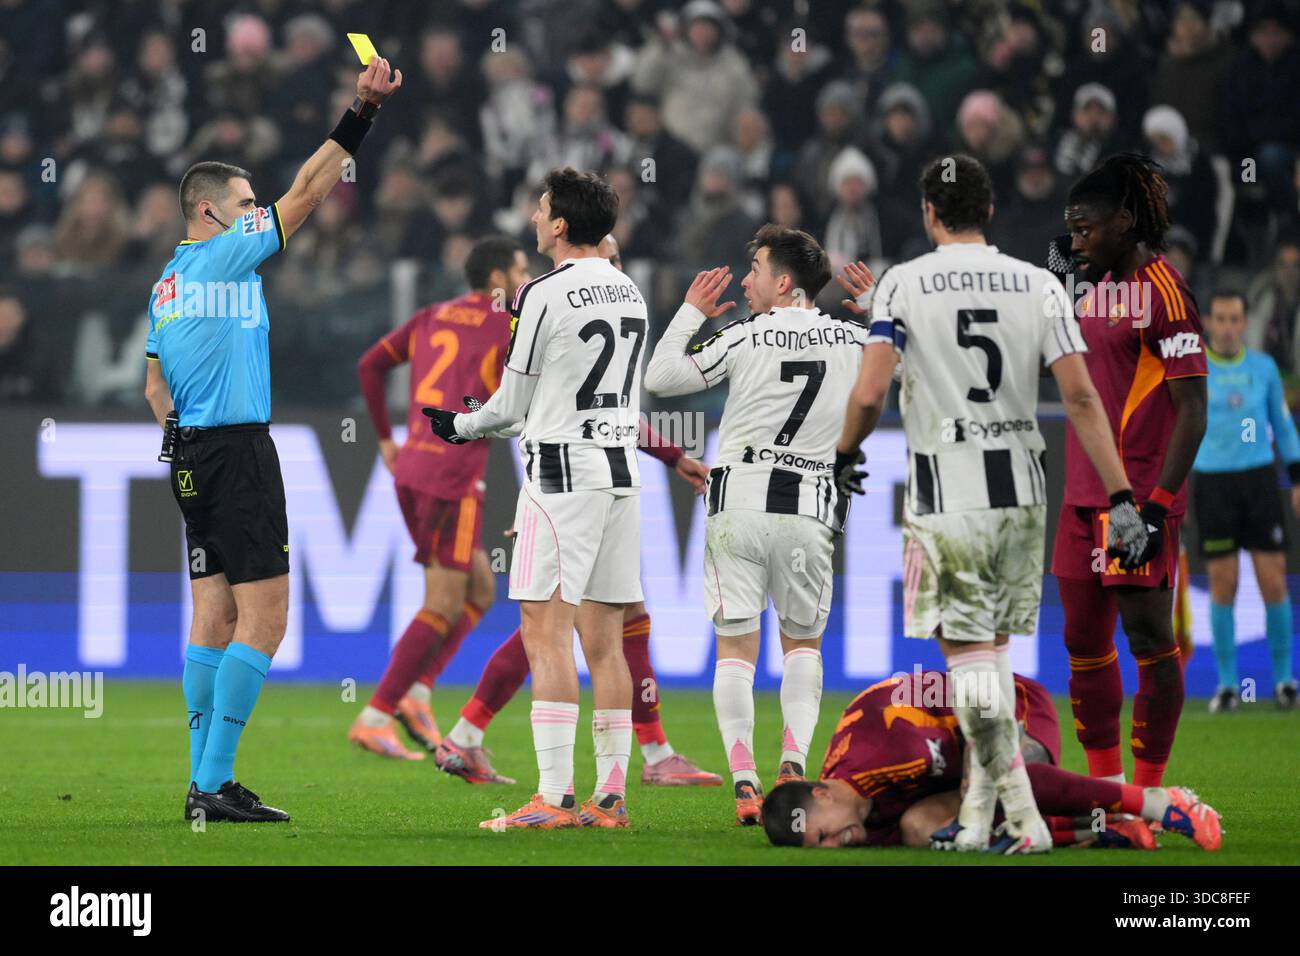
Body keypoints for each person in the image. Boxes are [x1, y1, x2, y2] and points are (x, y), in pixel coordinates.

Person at [836, 155, 1146, 854]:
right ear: (991, 209)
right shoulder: (1038, 284)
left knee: (968, 664)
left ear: (927, 212)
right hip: (1023, 492)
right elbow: (1081, 397)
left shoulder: (904, 283)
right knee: (992, 661)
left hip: (949, 495)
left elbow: (867, 393)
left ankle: (1025, 819)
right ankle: (976, 821)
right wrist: (1122, 494)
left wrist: (845, 454)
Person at [144, 56, 402, 822]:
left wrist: (178, 441)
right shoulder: (228, 252)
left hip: (191, 454)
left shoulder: (167, 279)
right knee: (268, 618)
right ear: (208, 213)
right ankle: (215, 783)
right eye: (245, 203)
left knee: (213, 615)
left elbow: (153, 387)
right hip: (238, 450)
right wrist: (363, 110)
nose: (259, 214)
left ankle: (201, 783)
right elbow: (311, 190)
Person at [434, 234, 722, 787]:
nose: (611, 267)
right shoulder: (572, 302)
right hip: (573, 481)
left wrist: (672, 455)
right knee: (567, 627)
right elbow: (527, 408)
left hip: (582, 478)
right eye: (608, 257)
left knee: (592, 624)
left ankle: (486, 739)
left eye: (616, 259)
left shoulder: (562, 301)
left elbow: (605, 407)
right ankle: (614, 770)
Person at [424, 168, 646, 830]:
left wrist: (461, 424)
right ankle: (611, 798)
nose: (531, 216)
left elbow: (514, 405)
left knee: (544, 632)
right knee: (605, 641)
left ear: (558, 225)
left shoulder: (543, 294)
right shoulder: (629, 289)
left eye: (540, 208)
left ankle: (554, 798)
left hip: (561, 476)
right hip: (620, 478)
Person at [644, 224, 865, 825]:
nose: (746, 279)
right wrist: (877, 313)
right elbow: (917, 374)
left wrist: (689, 314)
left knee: (736, 650)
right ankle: (793, 764)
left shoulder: (745, 334)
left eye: (757, 268)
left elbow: (661, 379)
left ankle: (745, 779)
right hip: (810, 508)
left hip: (738, 500)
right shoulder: (853, 339)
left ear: (785, 282)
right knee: (802, 645)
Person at [1052, 153, 1208, 788]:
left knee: (1149, 640)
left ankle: (1149, 791)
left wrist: (1156, 504)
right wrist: (1057, 284)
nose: (1076, 241)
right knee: (1082, 644)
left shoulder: (1166, 292)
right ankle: (1108, 794)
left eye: (1086, 229)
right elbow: (1058, 368)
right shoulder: (1088, 288)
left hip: (1138, 499)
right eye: (1071, 230)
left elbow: (1193, 409)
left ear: (1124, 221)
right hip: (1080, 496)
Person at [348, 236, 531, 760]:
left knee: (476, 589)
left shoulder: (433, 315)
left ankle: (418, 692)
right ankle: (377, 713)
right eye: (520, 271)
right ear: (498, 279)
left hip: (412, 467)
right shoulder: (507, 326)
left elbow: (370, 365)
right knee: (445, 601)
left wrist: (385, 437)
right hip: (454, 474)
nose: (525, 280)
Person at [760, 670, 1222, 852]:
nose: (833, 848)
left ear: (821, 792)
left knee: (993, 781)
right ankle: (1100, 828)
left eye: (823, 835)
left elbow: (985, 741)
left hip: (1008, 707)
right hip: (956, 740)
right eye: (819, 847)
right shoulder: (855, 802)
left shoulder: (893, 753)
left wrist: (973, 797)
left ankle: (1159, 802)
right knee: (921, 828)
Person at [1191, 290, 1300, 711]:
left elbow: (1283, 425)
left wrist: (1296, 478)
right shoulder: (1193, 366)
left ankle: (1286, 681)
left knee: (1274, 581)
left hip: (1258, 483)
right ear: (1209, 322)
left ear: (1244, 321)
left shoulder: (1264, 368)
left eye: (1236, 319)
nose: (1229, 327)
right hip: (1213, 484)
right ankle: (1227, 686)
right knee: (1224, 585)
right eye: (1221, 319)